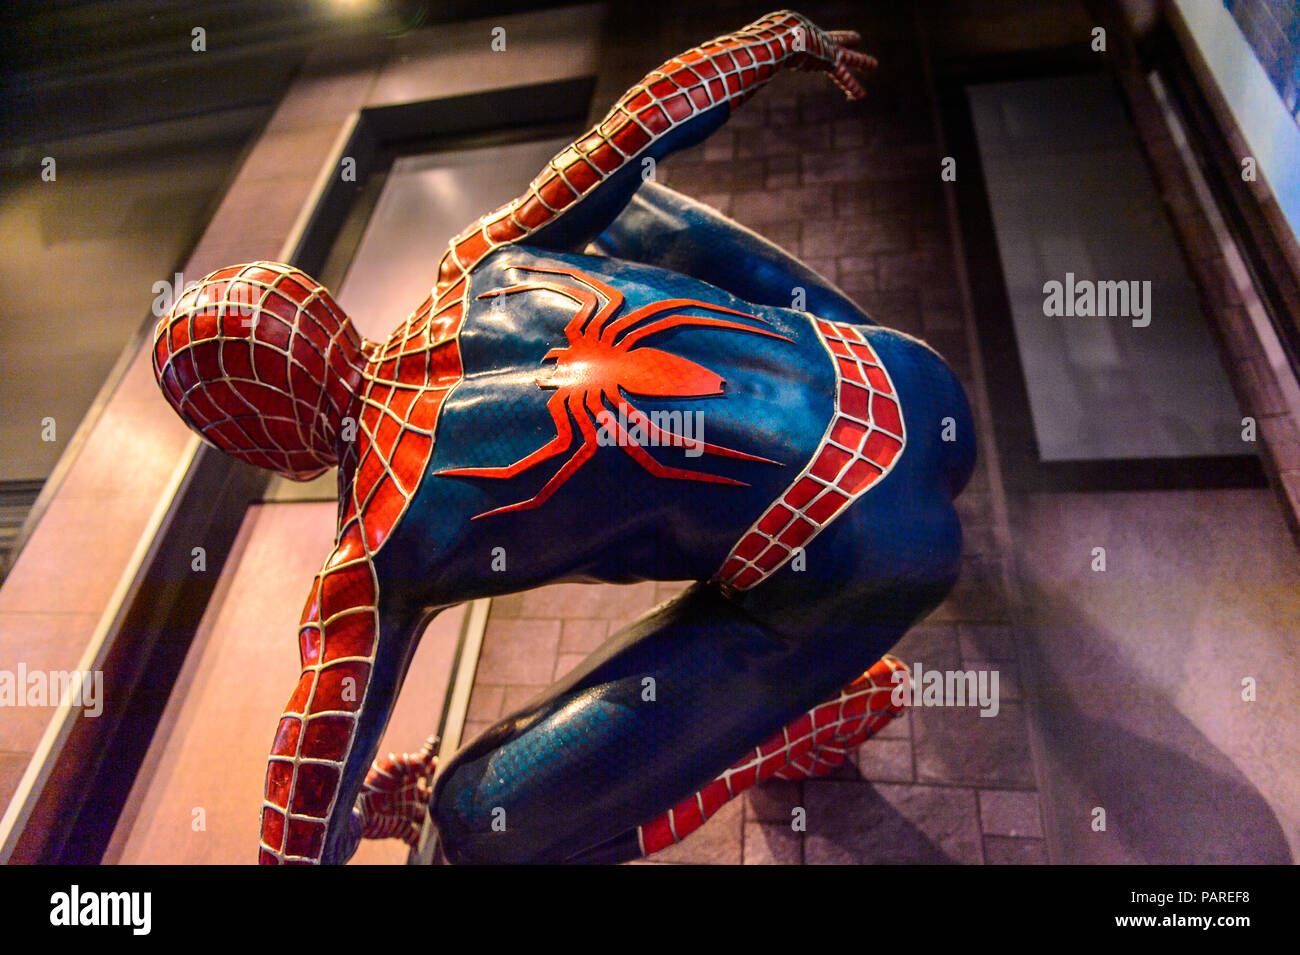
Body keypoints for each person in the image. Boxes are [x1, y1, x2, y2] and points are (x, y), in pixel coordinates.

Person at [152, 9, 974, 865]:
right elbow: (634, 127)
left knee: (474, 829)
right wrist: (786, 40)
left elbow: (298, 824)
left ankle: (795, 722)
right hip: (910, 377)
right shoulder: (476, 258)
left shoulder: (369, 559)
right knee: (618, 202)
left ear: (256, 443)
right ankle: (799, 662)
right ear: (320, 308)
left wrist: (377, 821)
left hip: (874, 549)